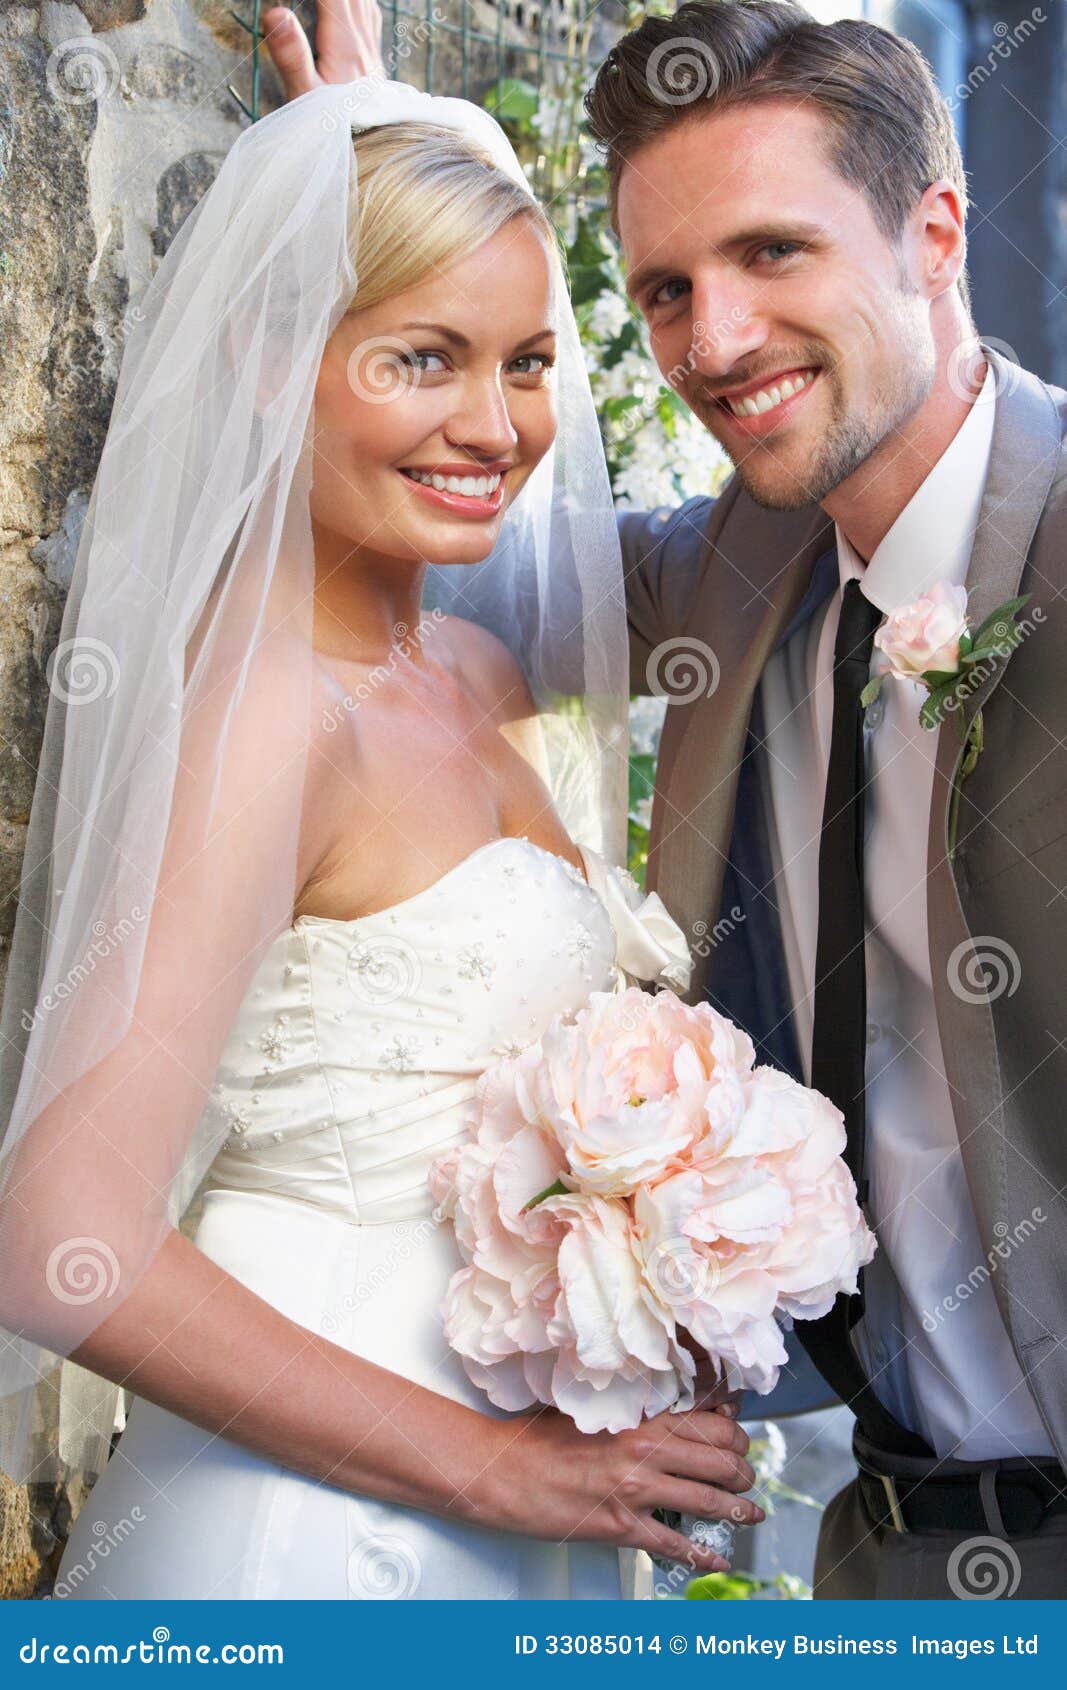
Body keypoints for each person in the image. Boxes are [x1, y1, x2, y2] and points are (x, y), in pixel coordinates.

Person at [300, 0, 1067, 1599]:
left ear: (935, 234)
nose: (712, 340)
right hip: (892, 1542)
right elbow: (455, 564)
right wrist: (375, 196)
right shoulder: (745, 558)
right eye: (666, 288)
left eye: (773, 252)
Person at [0, 78, 760, 1599]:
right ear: (270, 356)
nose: (496, 426)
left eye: (527, 362)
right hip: (309, 1541)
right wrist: (498, 1466)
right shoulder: (263, 717)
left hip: (518, 1538)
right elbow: (56, 1238)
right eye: (423, 356)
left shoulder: (474, 670)